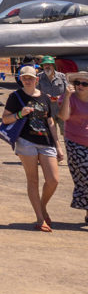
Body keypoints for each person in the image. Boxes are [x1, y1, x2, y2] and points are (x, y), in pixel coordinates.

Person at [3, 65, 63, 232]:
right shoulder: (15, 97)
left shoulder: (44, 97)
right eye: (24, 78)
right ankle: (39, 218)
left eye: (31, 77)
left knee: (53, 180)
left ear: (37, 79)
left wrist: (58, 145)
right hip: (26, 142)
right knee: (33, 180)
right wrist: (20, 114)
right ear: (20, 79)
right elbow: (5, 119)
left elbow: (50, 122)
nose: (28, 80)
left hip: (46, 141)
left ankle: (42, 206)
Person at [57, 72, 88, 225]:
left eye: (84, 84)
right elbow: (63, 117)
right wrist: (68, 96)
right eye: (78, 83)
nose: (80, 86)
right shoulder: (68, 98)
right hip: (75, 142)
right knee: (85, 178)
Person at [38, 55, 68, 142]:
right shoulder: (39, 77)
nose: (47, 66)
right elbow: (35, 92)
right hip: (47, 112)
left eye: (49, 64)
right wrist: (44, 96)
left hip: (62, 110)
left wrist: (61, 97)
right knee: (50, 136)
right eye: (45, 65)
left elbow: (68, 91)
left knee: (67, 135)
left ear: (53, 66)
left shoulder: (62, 77)